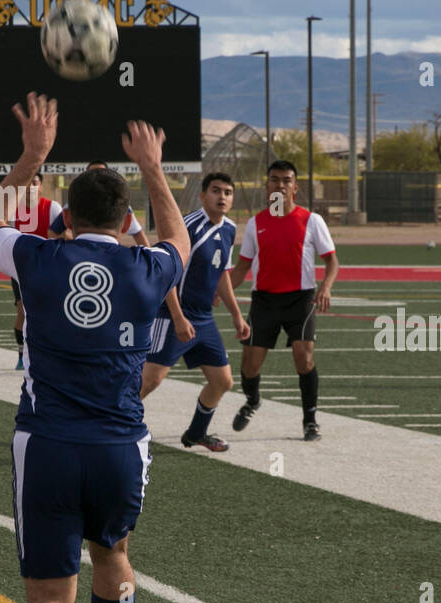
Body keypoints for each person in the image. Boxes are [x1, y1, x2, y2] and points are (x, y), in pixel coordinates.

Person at [0, 93, 191, 603]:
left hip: (45, 443)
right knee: (113, 554)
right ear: (127, 218)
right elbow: (179, 239)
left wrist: (32, 155)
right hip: (120, 443)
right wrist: (153, 169)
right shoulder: (147, 265)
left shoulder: (39, 258)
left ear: (65, 215)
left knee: (47, 592)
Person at [227, 160, 338, 441]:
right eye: (274, 180)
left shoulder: (311, 220)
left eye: (286, 180)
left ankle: (310, 420)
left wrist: (325, 286)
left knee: (304, 358)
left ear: (295, 188)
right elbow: (242, 268)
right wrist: (220, 291)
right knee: (250, 365)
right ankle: (253, 401)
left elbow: (332, 260)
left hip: (300, 301)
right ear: (266, 187)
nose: (280, 185)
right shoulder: (255, 223)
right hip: (264, 301)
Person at [140, 172, 249, 451]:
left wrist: (237, 316)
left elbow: (222, 272)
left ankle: (196, 433)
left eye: (227, 192)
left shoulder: (228, 229)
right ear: (203, 196)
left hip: (203, 318)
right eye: (216, 191)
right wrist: (178, 317)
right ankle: (104, 426)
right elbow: (165, 273)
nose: (222, 196)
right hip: (172, 314)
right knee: (149, 381)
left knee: (222, 381)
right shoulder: (187, 226)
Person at [0, 172, 62, 369]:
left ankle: (48, 352)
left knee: (51, 311)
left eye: (34, 183)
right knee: (23, 310)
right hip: (21, 268)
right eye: (27, 183)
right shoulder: (13, 211)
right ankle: (21, 355)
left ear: (41, 187)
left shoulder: (52, 208)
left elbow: (64, 234)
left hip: (48, 268)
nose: (30, 187)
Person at [49, 161, 151, 249]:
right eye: (92, 173)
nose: (97, 177)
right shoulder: (73, 204)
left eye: (102, 173)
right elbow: (52, 233)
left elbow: (138, 234)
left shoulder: (121, 205)